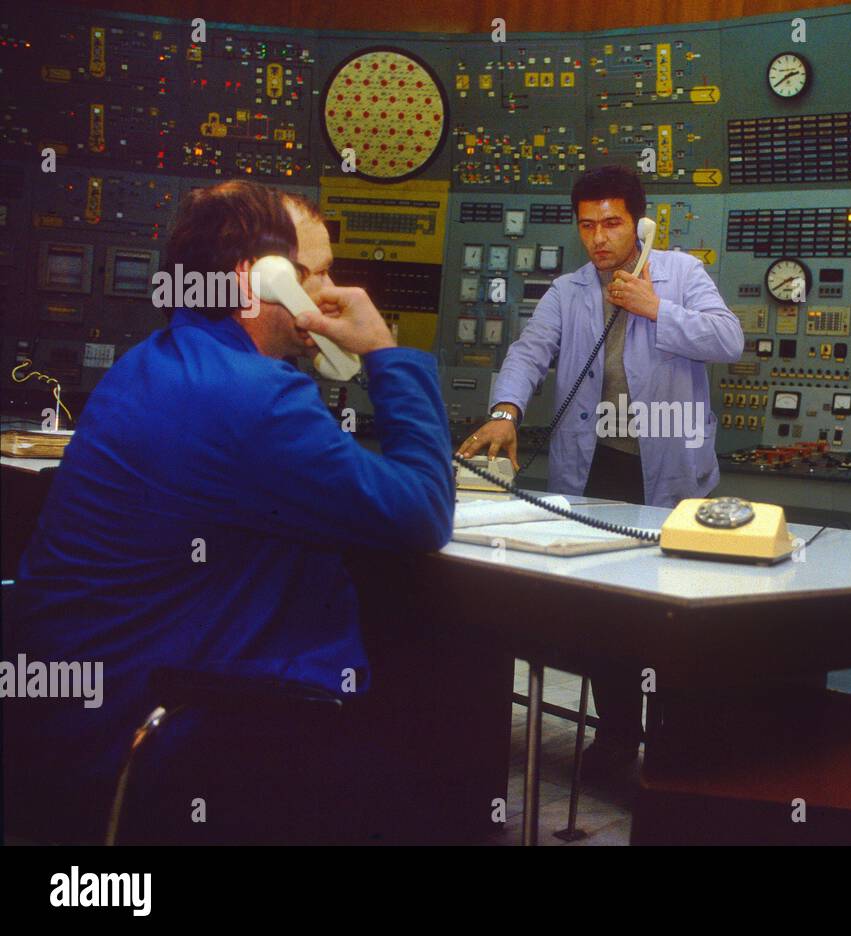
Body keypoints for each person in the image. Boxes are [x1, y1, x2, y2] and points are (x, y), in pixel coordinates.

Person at [3, 180, 456, 843]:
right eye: (317, 273)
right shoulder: (254, 399)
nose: (334, 291)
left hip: (77, 727)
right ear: (261, 281)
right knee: (430, 777)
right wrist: (384, 352)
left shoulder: (147, 364)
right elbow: (422, 510)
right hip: (160, 740)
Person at [456, 165, 743, 778]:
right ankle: (615, 735)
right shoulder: (568, 291)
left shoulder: (683, 274)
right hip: (596, 476)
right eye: (587, 225)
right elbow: (529, 352)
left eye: (611, 223)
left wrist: (657, 308)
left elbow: (728, 340)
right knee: (608, 620)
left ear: (641, 222)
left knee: (672, 617)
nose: (598, 238)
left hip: (670, 474)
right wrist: (505, 410)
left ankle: (669, 741)